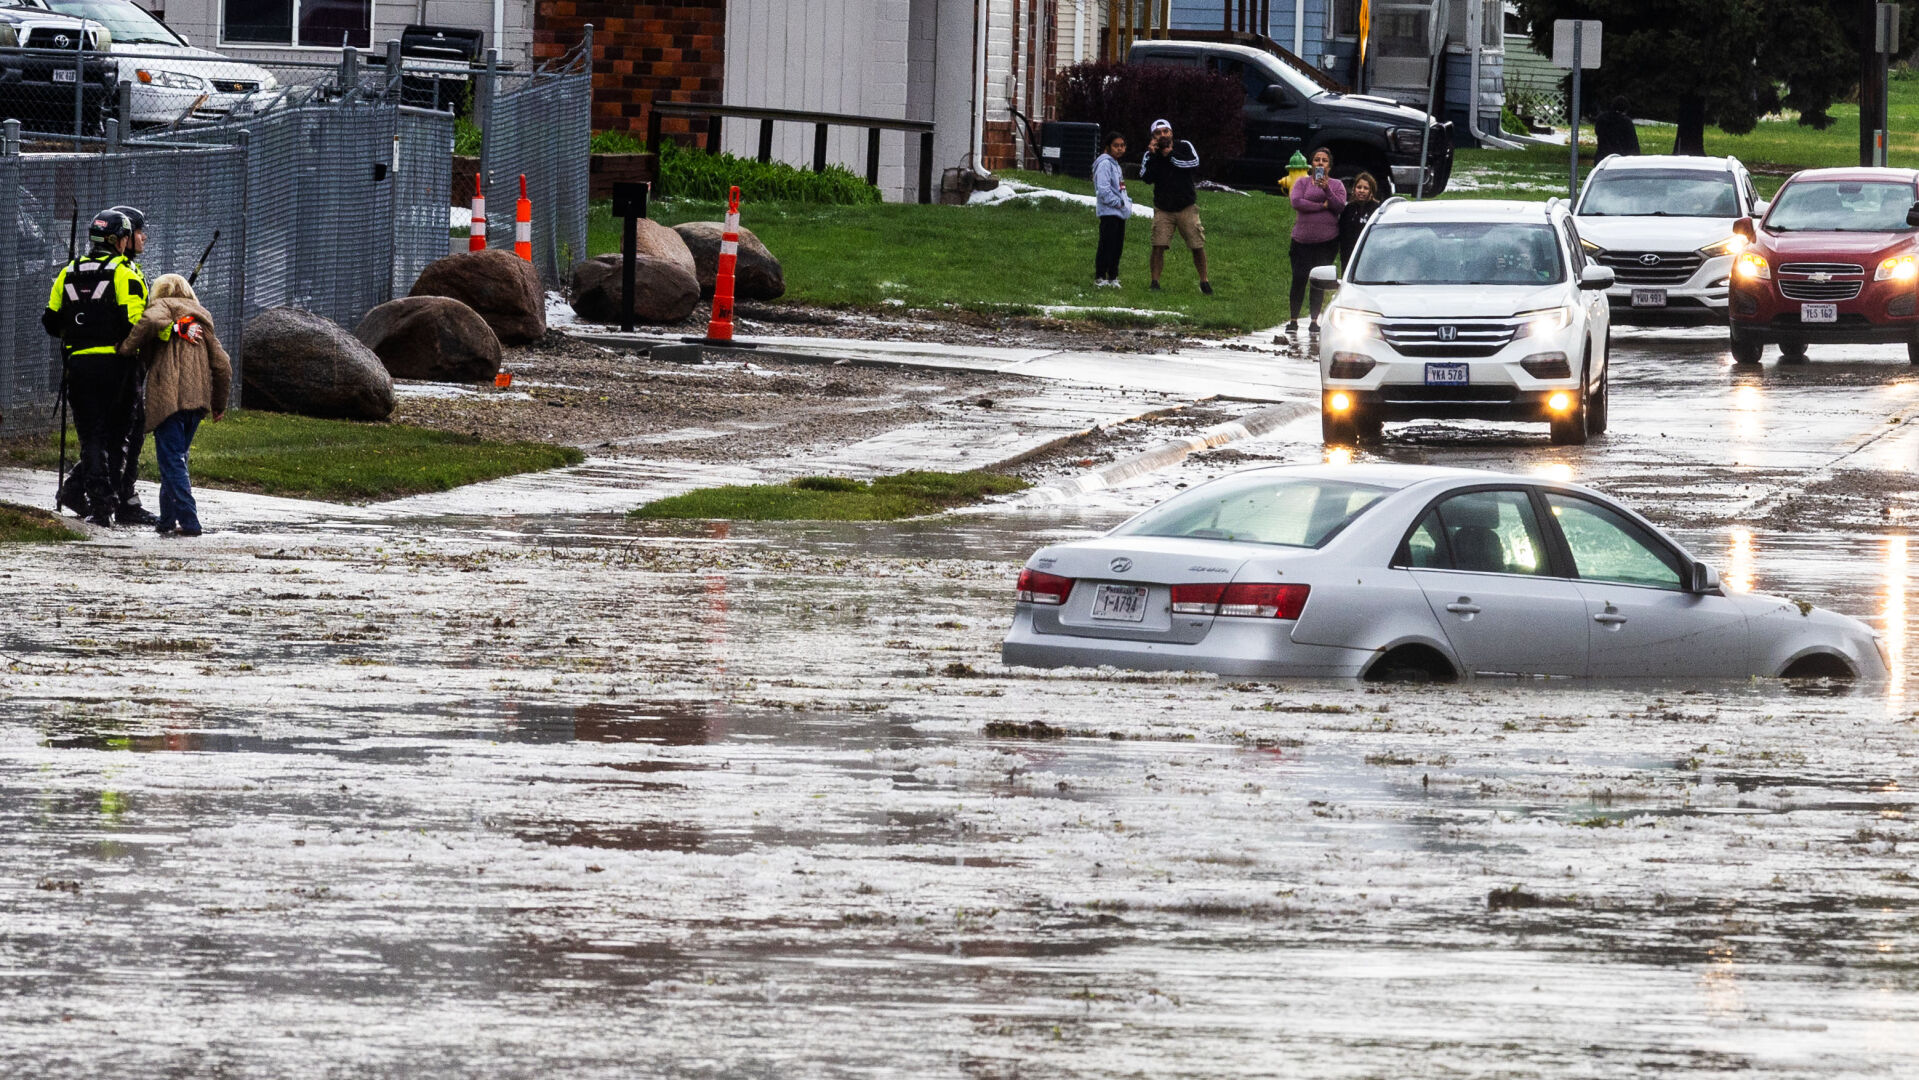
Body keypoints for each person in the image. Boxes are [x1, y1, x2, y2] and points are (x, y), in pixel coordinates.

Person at [43, 205, 161, 528]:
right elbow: (137, 322)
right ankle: (110, 502)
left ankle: (98, 507)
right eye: (125, 236)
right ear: (115, 240)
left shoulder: (68, 272)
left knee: (92, 439)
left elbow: (50, 320)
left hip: (78, 368)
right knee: (117, 438)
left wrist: (78, 332)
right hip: (116, 367)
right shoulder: (125, 273)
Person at [120, 273, 228, 537]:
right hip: (197, 402)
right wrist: (219, 403)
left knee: (172, 462)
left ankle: (190, 522)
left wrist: (125, 347)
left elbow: (149, 321)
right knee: (176, 459)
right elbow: (223, 365)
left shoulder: (163, 307)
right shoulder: (202, 316)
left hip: (168, 400)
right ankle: (166, 520)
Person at [1139, 119, 1213, 294]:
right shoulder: (1149, 155)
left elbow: (1192, 164)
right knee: (1158, 244)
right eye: (1158, 133)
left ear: (1171, 133)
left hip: (1186, 206)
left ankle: (1204, 281)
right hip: (1163, 207)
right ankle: (1155, 282)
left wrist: (1170, 154)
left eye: (1166, 131)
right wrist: (1155, 156)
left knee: (1196, 244)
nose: (1163, 135)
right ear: (1153, 137)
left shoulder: (1184, 146)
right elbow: (1146, 177)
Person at [1287, 147, 1346, 333]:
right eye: (1317, 160)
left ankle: (1314, 320)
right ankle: (1293, 320)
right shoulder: (1302, 183)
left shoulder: (1337, 185)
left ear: (1329, 165)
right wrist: (1322, 205)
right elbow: (1297, 202)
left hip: (1326, 242)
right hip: (1301, 240)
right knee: (1299, 278)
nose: (1320, 163)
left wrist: (1326, 189)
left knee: (1318, 281)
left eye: (1324, 160)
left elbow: (1339, 206)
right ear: (1311, 163)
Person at [1092, 130, 1132, 287]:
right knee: (1106, 245)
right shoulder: (1104, 164)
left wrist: (1126, 202)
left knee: (1117, 246)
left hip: (1119, 213)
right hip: (1109, 212)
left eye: (1122, 146)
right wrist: (1119, 203)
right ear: (1108, 147)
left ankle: (1113, 276)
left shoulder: (1116, 165)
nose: (1120, 149)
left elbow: (1120, 187)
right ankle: (1100, 276)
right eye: (1116, 146)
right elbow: (1103, 190)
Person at [1338, 171, 1382, 270]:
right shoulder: (1348, 208)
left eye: (1366, 188)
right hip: (1349, 255)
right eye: (1359, 187)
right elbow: (1342, 233)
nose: (1361, 190)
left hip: (1370, 254)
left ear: (1372, 191)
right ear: (1354, 189)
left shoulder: (1377, 209)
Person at [1594, 96, 1640, 163]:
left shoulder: (1602, 119)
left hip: (1602, 157)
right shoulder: (1626, 122)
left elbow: (1597, 132)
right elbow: (1633, 142)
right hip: (1620, 159)